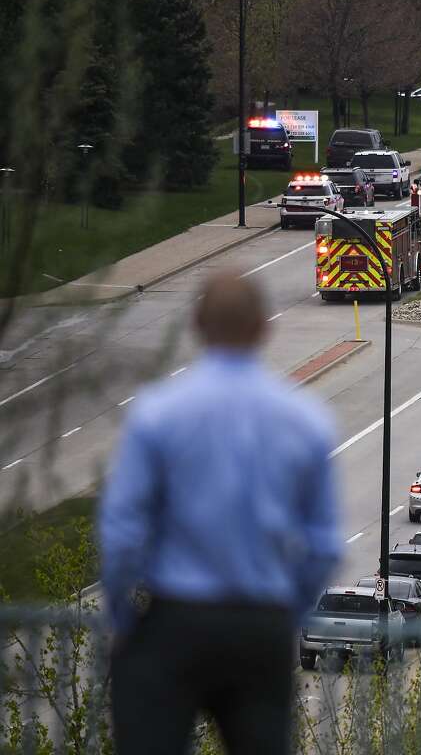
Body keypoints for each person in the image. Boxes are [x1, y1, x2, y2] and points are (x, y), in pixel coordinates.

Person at [100, 270, 341, 755]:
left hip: (176, 619)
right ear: (264, 328)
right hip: (260, 626)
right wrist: (285, 611)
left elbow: (123, 531)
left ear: (197, 325)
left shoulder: (158, 413)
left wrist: (125, 616)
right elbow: (323, 547)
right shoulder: (305, 420)